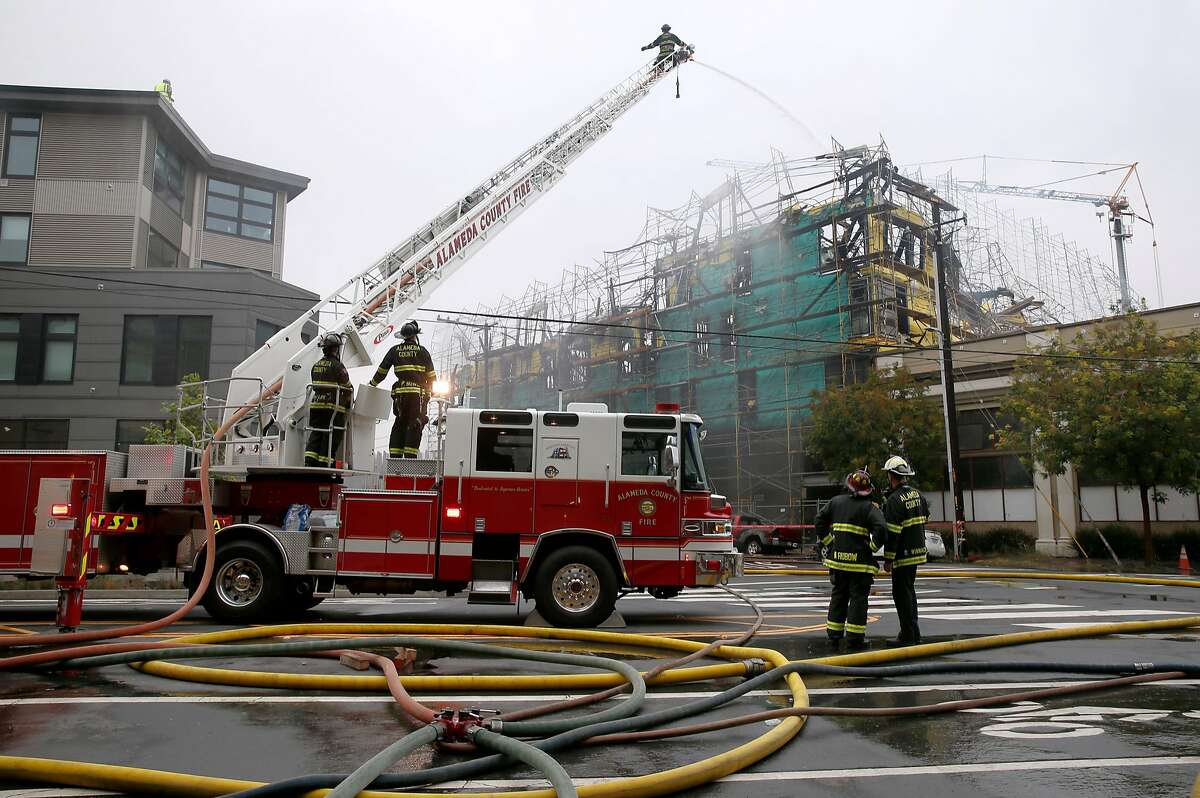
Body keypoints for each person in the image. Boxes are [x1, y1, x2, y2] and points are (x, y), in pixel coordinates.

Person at [816, 469, 887, 651]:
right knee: (858, 599)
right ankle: (855, 639)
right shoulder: (870, 508)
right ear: (867, 490)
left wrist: (829, 542)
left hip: (838, 561)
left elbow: (819, 520)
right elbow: (882, 530)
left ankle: (833, 636)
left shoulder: (836, 502)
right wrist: (871, 548)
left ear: (849, 486)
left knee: (838, 596)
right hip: (859, 565)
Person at [882, 455, 930, 646]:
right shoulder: (918, 495)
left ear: (891, 476)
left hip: (902, 555)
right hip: (918, 552)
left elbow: (893, 533)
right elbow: (926, 517)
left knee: (901, 595)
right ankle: (913, 632)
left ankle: (907, 636)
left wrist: (888, 559)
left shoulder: (894, 500)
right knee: (909, 592)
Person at [370, 320, 435, 458]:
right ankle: (410, 459)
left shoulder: (394, 351)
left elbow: (382, 371)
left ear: (404, 336)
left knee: (399, 423)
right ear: (415, 336)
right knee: (415, 423)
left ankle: (395, 457)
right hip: (417, 396)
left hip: (400, 397)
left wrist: (372, 384)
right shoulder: (422, 352)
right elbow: (432, 378)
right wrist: (429, 395)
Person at [304, 333, 353, 468]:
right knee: (331, 435)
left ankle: (309, 460)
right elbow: (348, 387)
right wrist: (349, 401)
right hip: (332, 407)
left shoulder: (316, 365)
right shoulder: (338, 366)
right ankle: (324, 463)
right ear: (336, 349)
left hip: (316, 405)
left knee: (317, 433)